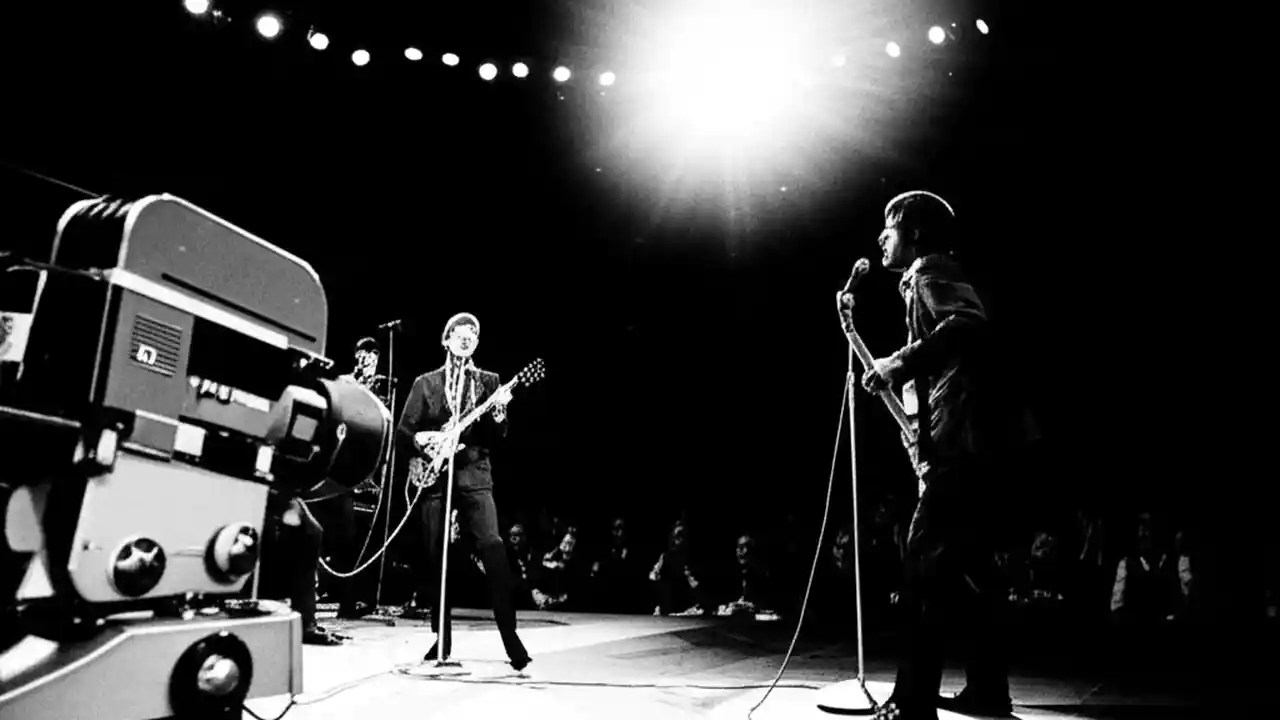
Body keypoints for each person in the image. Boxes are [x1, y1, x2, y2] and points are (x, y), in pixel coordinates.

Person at [837, 190, 1031, 720]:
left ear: (916, 233)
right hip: (979, 447)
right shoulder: (926, 279)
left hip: (964, 449)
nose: (881, 237)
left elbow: (967, 326)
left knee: (923, 564)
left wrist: (897, 362)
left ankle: (913, 702)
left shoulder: (929, 272)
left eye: (889, 225)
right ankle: (988, 692)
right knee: (969, 571)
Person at [396, 312, 531, 671]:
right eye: (460, 330)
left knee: (494, 547)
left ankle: (511, 639)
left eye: (474, 332)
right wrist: (423, 443)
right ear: (446, 339)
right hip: (436, 476)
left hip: (474, 474)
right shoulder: (425, 383)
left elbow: (497, 436)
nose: (467, 335)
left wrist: (498, 415)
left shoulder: (489, 382)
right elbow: (403, 432)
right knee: (435, 556)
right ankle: (442, 637)